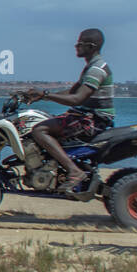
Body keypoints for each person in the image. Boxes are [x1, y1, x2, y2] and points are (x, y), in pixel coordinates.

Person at [23, 28, 114, 191]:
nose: (76, 46)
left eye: (80, 43)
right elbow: (72, 92)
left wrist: (45, 94)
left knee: (39, 130)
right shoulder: (91, 67)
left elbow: (77, 99)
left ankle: (74, 171)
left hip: (94, 120)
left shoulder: (96, 69)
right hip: (87, 116)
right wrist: (40, 96)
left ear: (91, 46)